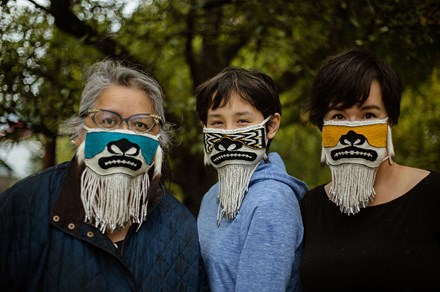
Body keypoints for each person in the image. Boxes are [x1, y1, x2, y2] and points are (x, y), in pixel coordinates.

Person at [0, 60, 205, 291]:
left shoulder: (179, 225)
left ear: (159, 140)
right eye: (108, 120)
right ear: (79, 133)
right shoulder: (23, 206)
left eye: (140, 125)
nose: (125, 137)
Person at [300, 48, 440, 291]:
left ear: (390, 121)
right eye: (339, 116)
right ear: (322, 124)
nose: (353, 130)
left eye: (368, 114)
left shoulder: (433, 194)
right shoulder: (310, 207)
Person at [195, 67, 308, 292]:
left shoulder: (271, 201)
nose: (229, 134)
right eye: (217, 123)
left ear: (271, 126)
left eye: (242, 121)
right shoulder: (212, 195)